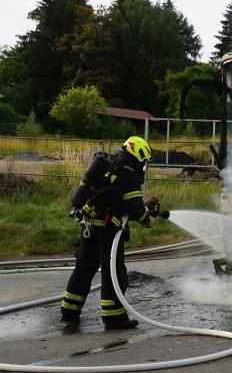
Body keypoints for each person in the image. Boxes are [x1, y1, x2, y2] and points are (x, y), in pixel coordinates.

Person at [60, 136, 158, 330]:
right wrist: (149, 220)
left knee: (83, 270)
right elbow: (136, 211)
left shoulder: (109, 168)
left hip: (88, 228)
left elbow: (120, 201)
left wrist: (143, 206)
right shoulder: (129, 174)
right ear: (138, 155)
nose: (145, 166)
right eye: (144, 161)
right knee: (114, 272)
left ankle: (69, 313)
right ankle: (115, 319)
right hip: (108, 232)